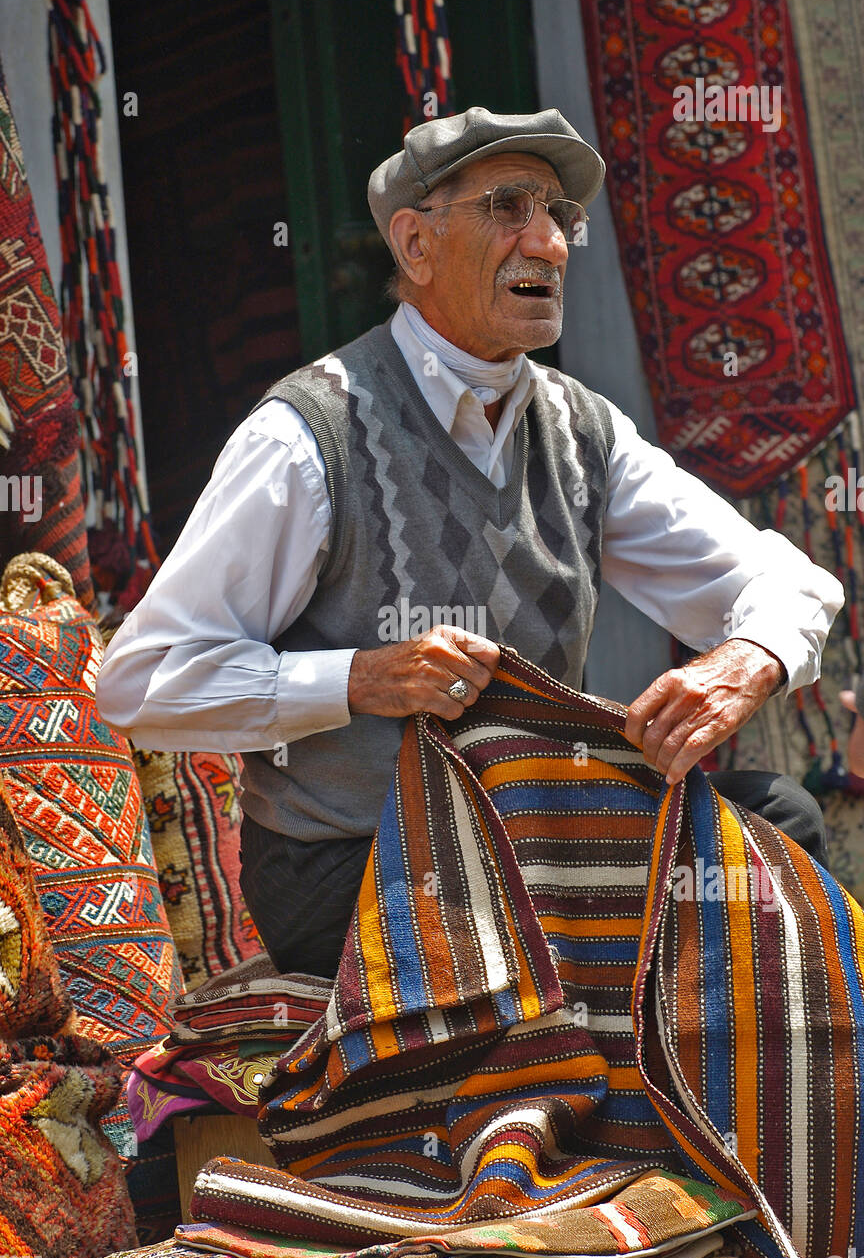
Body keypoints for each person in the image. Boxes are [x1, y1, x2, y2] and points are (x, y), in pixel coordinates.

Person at [96, 107, 843, 979]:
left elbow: (787, 581)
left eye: (561, 216)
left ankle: (712, 1107)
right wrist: (359, 679)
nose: (551, 245)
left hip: (531, 840)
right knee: (540, 953)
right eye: (509, 207)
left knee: (777, 831)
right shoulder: (308, 435)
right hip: (352, 862)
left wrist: (743, 657)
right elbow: (143, 681)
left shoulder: (580, 431)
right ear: (415, 245)